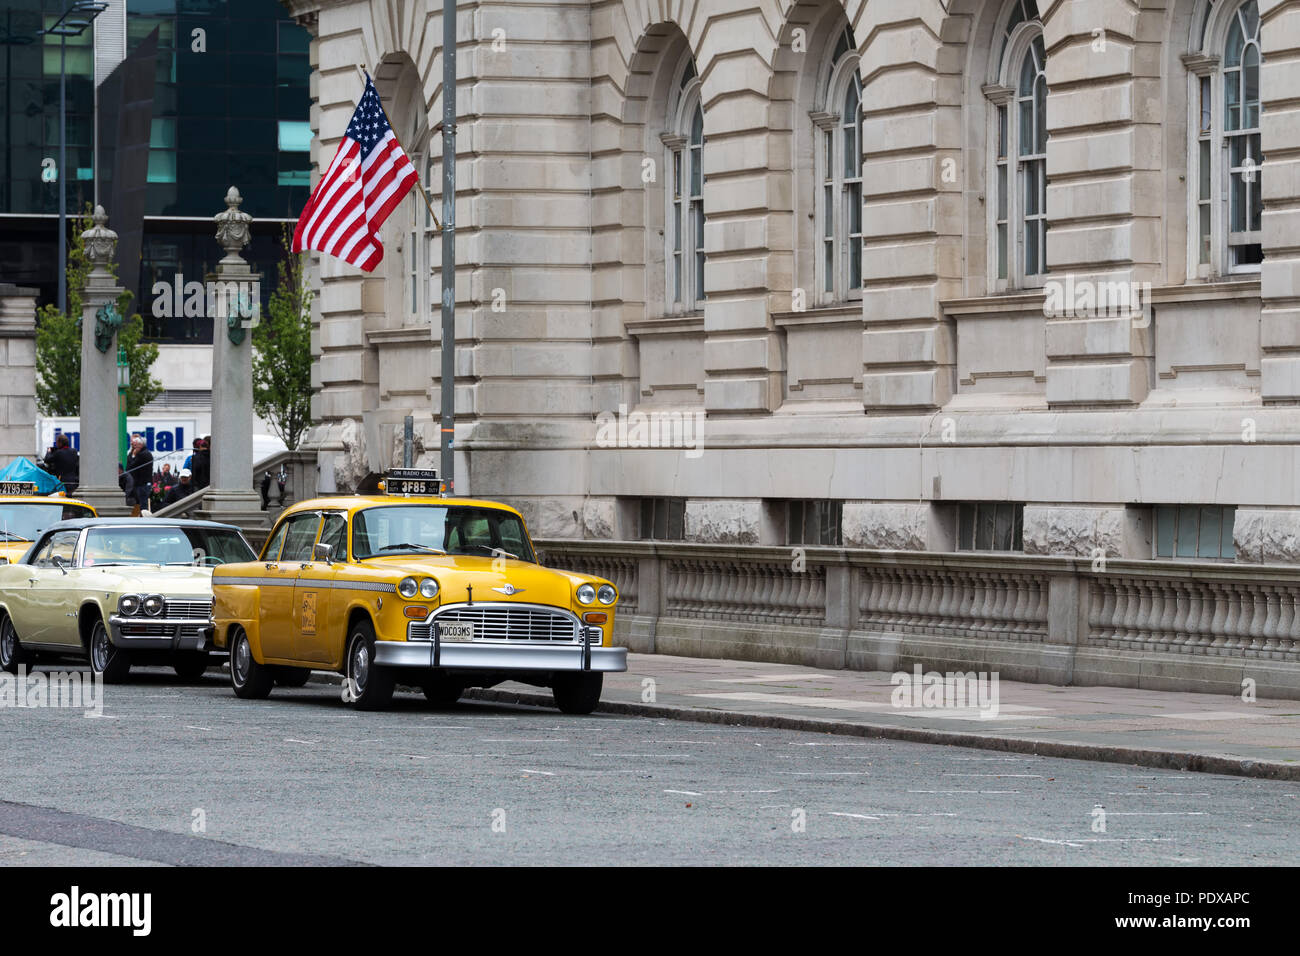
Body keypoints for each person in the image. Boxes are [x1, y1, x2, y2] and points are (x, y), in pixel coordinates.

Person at [124, 434, 154, 516]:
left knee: (143, 505)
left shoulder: (143, 454)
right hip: (138, 484)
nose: (133, 447)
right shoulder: (140, 453)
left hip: (142, 484)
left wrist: (133, 455)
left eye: (135, 445)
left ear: (140, 445)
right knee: (137, 504)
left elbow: (131, 466)